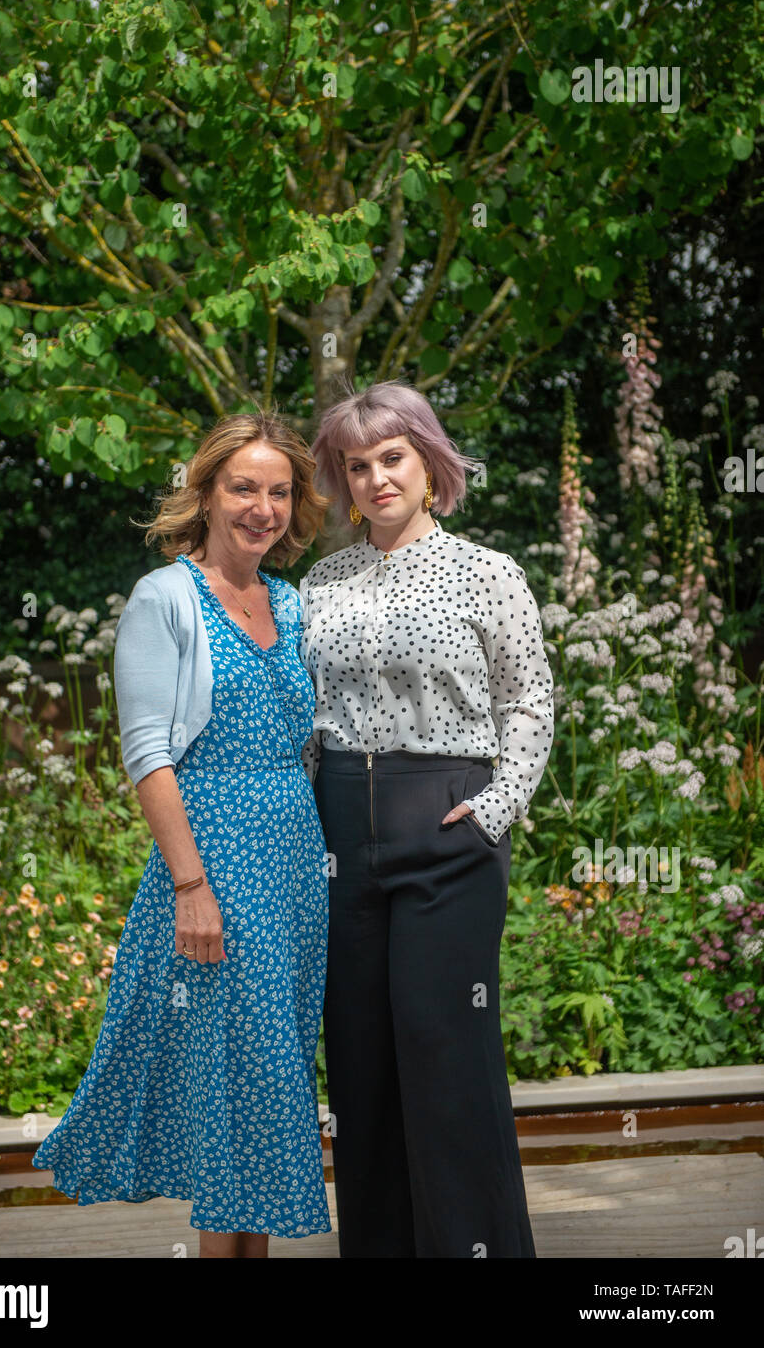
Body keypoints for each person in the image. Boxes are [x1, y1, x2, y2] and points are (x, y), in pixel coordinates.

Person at [32, 410, 333, 1259]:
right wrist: (189, 888)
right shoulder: (166, 596)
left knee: (270, 1087)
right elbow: (147, 755)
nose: (261, 508)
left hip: (291, 873)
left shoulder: (290, 602)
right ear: (205, 494)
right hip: (215, 863)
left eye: (278, 492)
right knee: (227, 1091)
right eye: (243, 487)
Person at [299, 379, 555, 1258]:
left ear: (427, 460)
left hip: (447, 827)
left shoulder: (488, 572)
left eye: (391, 458)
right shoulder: (320, 581)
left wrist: (492, 811)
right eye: (356, 465)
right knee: (362, 1068)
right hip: (338, 835)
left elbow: (529, 704)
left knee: (446, 1056)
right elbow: (306, 713)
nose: (374, 479)